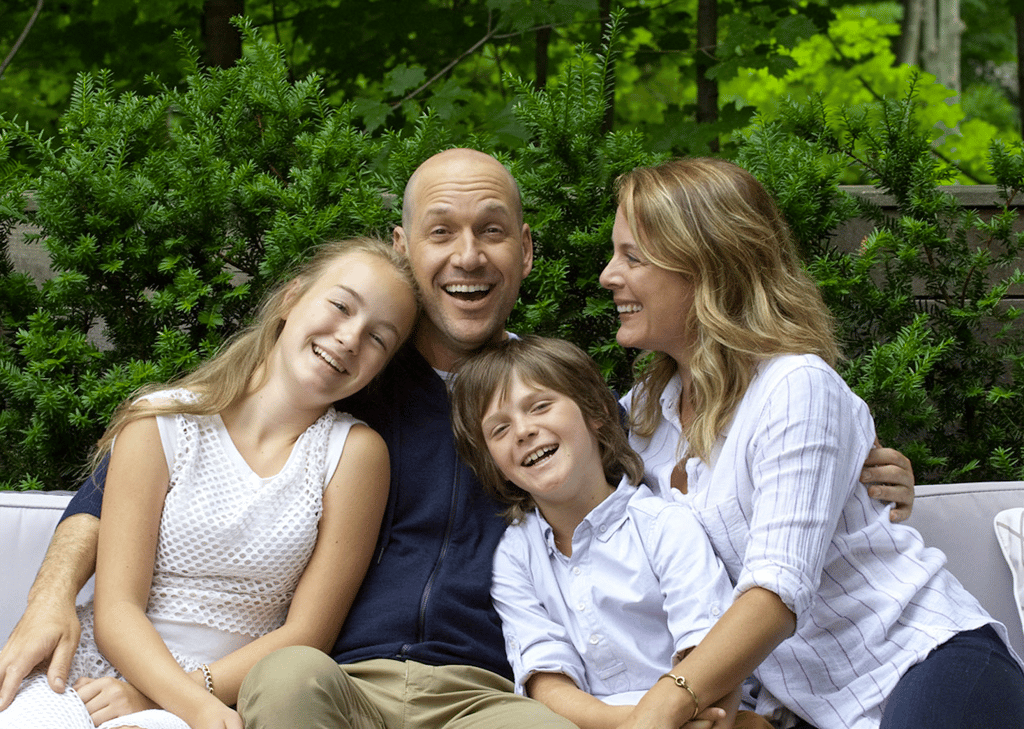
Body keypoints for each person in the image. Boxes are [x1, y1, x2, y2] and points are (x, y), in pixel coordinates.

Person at [0, 149, 917, 729]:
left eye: (491, 233)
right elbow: (162, 458)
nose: (467, 255)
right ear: (407, 249)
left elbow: (682, 485)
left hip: (492, 690)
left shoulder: (558, 400)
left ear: (524, 254)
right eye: (441, 233)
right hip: (338, 683)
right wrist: (51, 589)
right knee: (288, 681)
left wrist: (852, 479)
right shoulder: (346, 375)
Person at [598, 157, 1024, 729]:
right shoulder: (643, 415)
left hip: (924, 664)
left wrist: (666, 705)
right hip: (809, 712)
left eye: (633, 256)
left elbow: (775, 592)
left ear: (707, 265)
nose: (607, 275)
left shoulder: (795, 387)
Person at [0, 237, 419, 729]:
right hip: (98, 671)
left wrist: (185, 702)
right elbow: (118, 609)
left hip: (222, 693)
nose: (350, 337)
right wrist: (180, 700)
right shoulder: (160, 423)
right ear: (292, 298)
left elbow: (307, 633)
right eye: (341, 306)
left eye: (378, 338)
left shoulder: (354, 455)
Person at [449, 335, 774, 729]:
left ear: (596, 412)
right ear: (492, 463)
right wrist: (629, 723)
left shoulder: (662, 526)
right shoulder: (515, 555)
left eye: (540, 407)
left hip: (700, 707)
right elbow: (547, 680)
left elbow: (712, 651)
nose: (522, 431)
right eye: (499, 430)